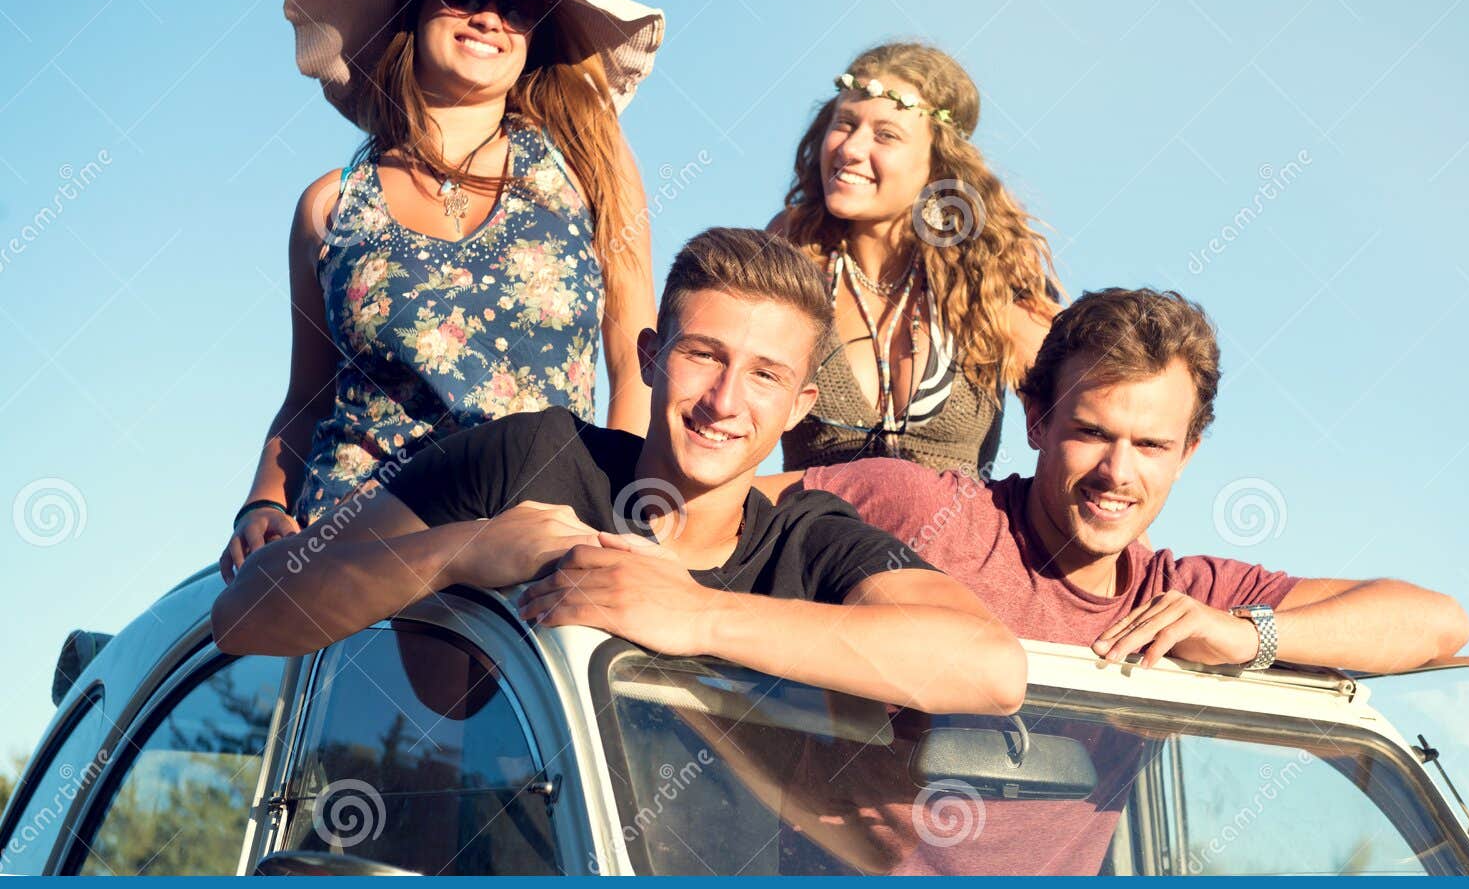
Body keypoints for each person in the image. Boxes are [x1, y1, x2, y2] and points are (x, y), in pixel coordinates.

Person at [756, 287, 1469, 873]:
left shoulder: (1180, 595)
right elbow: (704, 514)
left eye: (1152, 445)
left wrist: (1247, 634)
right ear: (1037, 420)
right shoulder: (920, 509)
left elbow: (1436, 622)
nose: (1117, 474)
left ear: (1188, 453)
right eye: (1093, 433)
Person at [211, 229, 1026, 717]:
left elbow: (991, 670)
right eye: (704, 356)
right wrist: (462, 553)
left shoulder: (813, 544)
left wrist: (695, 616)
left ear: (801, 405)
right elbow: (247, 614)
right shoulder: (529, 458)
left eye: (765, 376)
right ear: (650, 356)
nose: (724, 402)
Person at [220, 0, 662, 580]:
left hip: (537, 530)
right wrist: (260, 504)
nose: (490, 17)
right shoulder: (329, 206)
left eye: (518, 6)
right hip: (361, 546)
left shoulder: (588, 165)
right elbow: (308, 398)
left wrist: (621, 514)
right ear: (415, 13)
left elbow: (637, 365)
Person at [769, 41, 1063, 477]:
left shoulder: (989, 274)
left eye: (885, 135)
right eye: (845, 123)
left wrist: (1128, 547)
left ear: (938, 163)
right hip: (807, 538)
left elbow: (1094, 417)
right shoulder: (793, 247)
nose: (850, 149)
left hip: (951, 540)